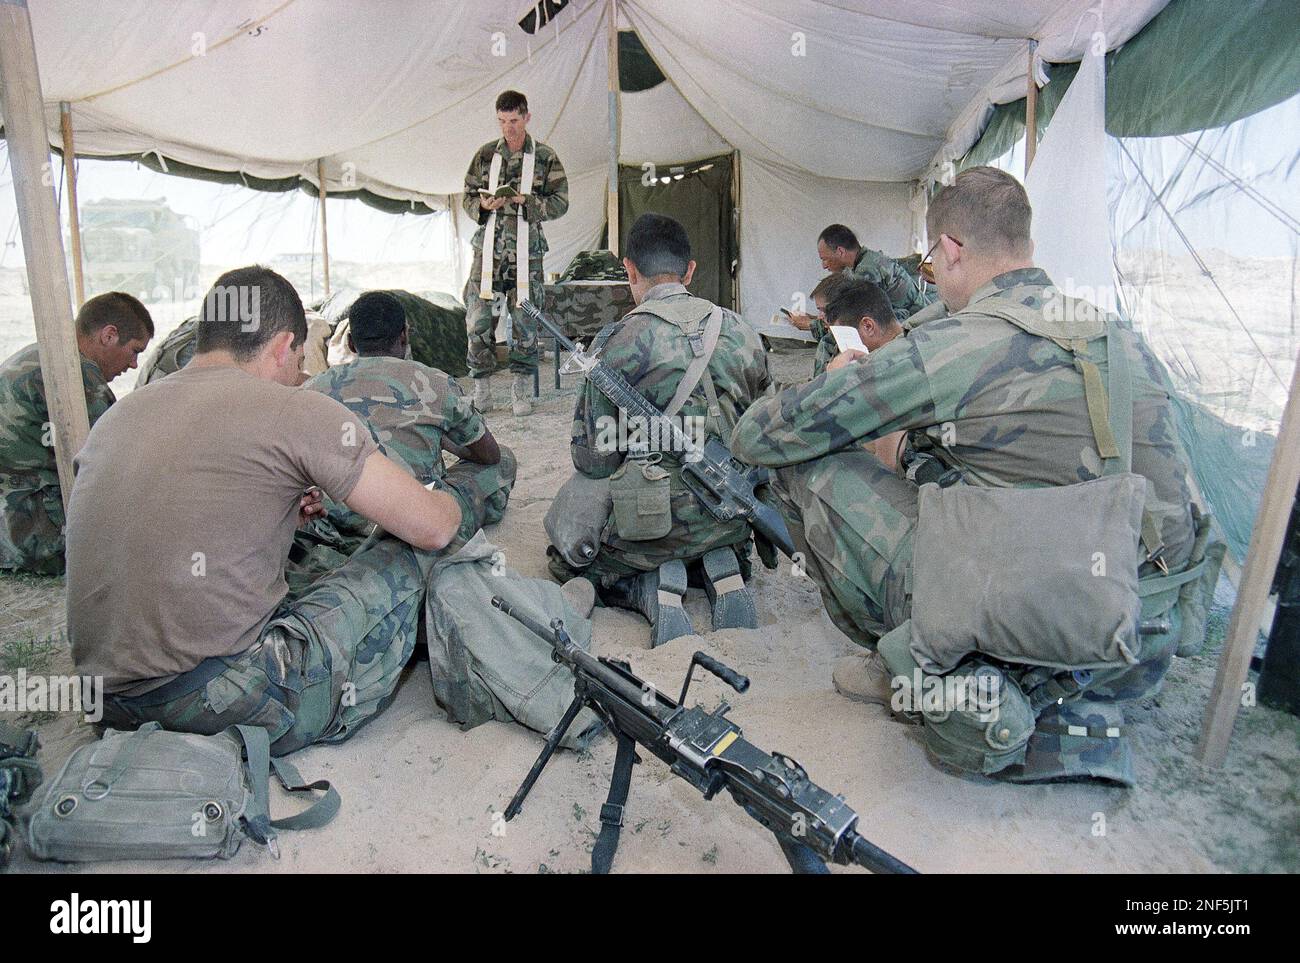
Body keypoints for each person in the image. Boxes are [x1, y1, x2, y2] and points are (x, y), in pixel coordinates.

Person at [732, 167, 1212, 786]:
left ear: (951, 250)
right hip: (1142, 637)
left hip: (1052, 626)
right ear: (1028, 249)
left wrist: (832, 383)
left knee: (809, 462)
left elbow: (758, 435)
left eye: (933, 260)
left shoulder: (952, 344)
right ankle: (1068, 699)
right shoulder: (1117, 333)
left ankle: (929, 662)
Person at [66, 266, 464, 755]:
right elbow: (433, 528)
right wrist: (447, 496)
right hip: (221, 705)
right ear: (282, 345)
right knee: (409, 550)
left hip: (105, 704)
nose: (298, 373)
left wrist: (274, 514)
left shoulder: (118, 416)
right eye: (297, 357)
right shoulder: (294, 409)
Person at [550, 213, 771, 646]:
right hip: (729, 515)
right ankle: (720, 566)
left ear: (628, 270)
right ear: (690, 271)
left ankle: (650, 590)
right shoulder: (743, 331)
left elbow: (593, 460)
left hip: (646, 531)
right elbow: (764, 432)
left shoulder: (617, 340)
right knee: (708, 538)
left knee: (568, 562)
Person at [303, 290, 515, 552]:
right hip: (417, 521)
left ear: (350, 343)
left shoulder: (314, 389)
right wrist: (442, 437)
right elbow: (489, 454)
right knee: (504, 460)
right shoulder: (435, 382)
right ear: (404, 336)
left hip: (337, 522)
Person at [0, 292, 153, 574]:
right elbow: (119, 463)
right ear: (109, 335)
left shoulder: (37, 355)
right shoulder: (76, 375)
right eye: (135, 351)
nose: (133, 365)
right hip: (32, 537)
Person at [462, 89, 568, 416]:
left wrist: (528, 202)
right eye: (502, 121)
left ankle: (520, 387)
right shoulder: (484, 156)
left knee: (524, 317)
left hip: (527, 250)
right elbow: (466, 196)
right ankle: (481, 389)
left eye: (514, 120)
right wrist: (482, 204)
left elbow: (561, 202)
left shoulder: (546, 156)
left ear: (527, 117)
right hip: (489, 251)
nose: (508, 128)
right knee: (478, 316)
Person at [815, 223, 935, 321]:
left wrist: (813, 325)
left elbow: (856, 316)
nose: (824, 266)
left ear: (840, 252)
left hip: (921, 323)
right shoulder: (863, 263)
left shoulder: (867, 270)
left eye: (825, 259)